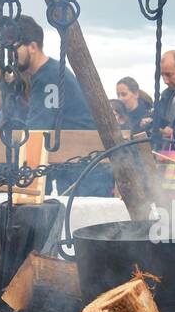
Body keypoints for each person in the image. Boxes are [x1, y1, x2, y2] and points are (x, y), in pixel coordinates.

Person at [14, 15, 110, 195]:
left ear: (32, 47)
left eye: (14, 48)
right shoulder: (47, 73)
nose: (10, 55)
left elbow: (37, 128)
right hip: (77, 166)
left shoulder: (49, 77)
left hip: (84, 169)